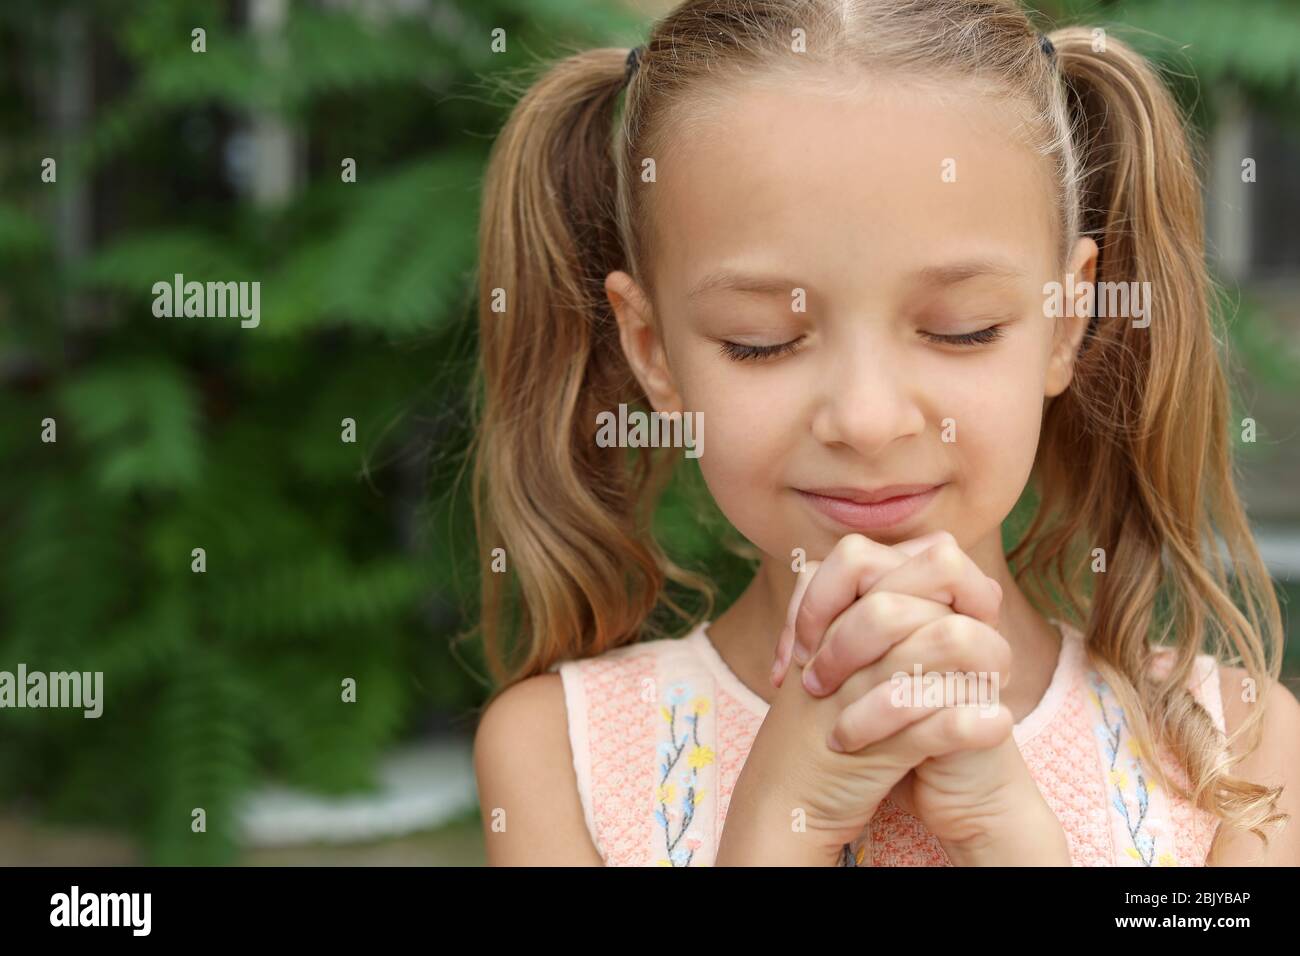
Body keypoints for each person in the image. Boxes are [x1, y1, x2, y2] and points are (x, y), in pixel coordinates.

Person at [469, 0, 1299, 866]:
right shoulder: (560, 758)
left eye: (962, 328)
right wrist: (776, 827)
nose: (867, 422)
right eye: (762, 341)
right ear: (655, 353)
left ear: (1066, 320)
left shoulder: (1235, 750)